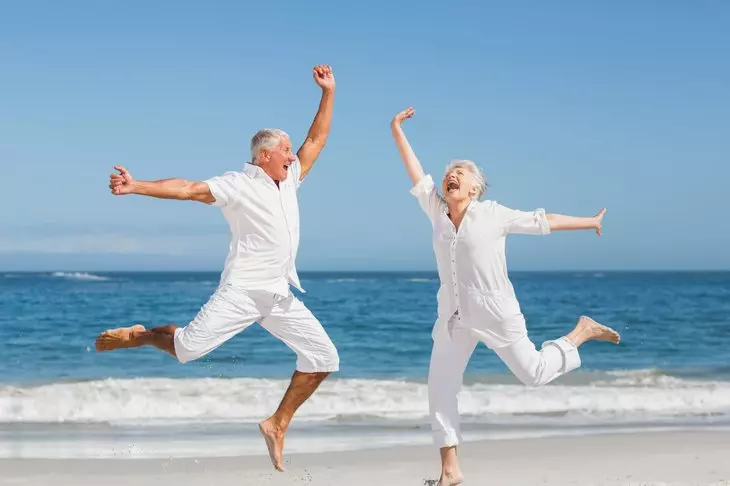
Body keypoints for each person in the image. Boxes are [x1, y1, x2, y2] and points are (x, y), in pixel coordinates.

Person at [95, 65, 339, 473]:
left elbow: (318, 138)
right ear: (264, 155)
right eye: (285, 151)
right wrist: (137, 186)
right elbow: (189, 188)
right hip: (242, 290)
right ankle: (139, 335)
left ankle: (277, 424)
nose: (293, 156)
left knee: (323, 357)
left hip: (278, 293)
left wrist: (327, 93)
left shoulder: (290, 178)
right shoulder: (237, 184)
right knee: (187, 349)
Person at [390, 107, 620, 486]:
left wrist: (590, 222)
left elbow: (544, 221)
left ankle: (581, 332)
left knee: (534, 375)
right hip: (453, 318)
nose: (451, 177)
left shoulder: (494, 214)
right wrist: (397, 129)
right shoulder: (436, 210)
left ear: (473, 189)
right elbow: (415, 172)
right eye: (449, 173)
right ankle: (450, 472)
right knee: (440, 388)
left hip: (496, 313)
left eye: (459, 174)